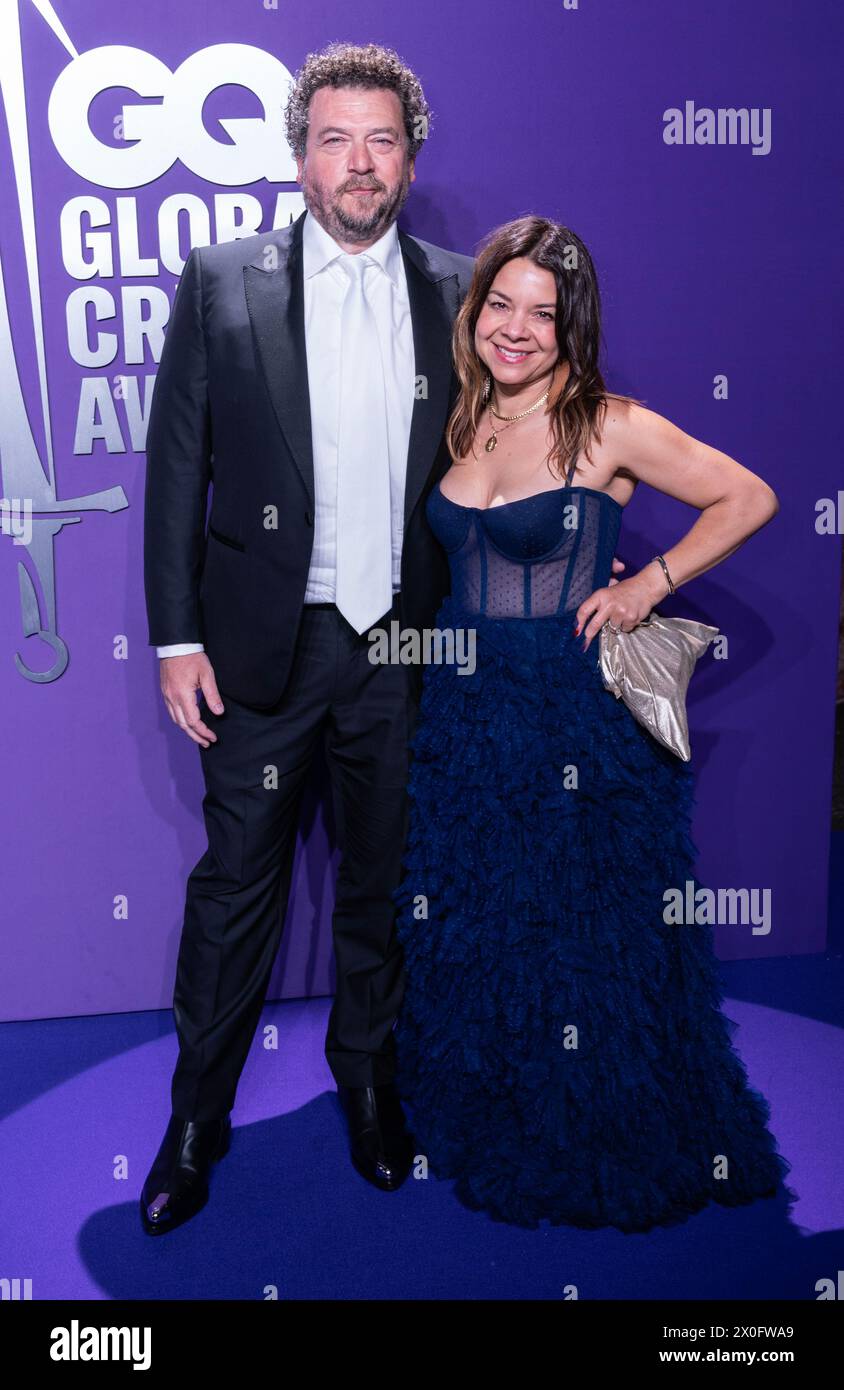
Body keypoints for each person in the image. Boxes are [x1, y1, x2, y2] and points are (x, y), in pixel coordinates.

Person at [391, 214, 796, 1232]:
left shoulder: (607, 421)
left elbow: (746, 497)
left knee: (583, 932)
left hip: (570, 716)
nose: (517, 329)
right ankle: (493, 1105)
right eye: (501, 305)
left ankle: (594, 1129)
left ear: (574, 325)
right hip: (465, 712)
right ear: (475, 308)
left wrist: (647, 583)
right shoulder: (464, 415)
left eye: (544, 312)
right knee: (488, 919)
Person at [139, 42, 479, 1234]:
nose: (358, 162)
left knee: (385, 891)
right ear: (298, 158)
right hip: (256, 656)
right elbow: (179, 468)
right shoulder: (219, 280)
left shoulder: (461, 290)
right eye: (334, 139)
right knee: (236, 892)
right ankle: (196, 1118)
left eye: (380, 139)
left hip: (401, 650)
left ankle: (371, 1085)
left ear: (410, 155)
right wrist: (174, 637)